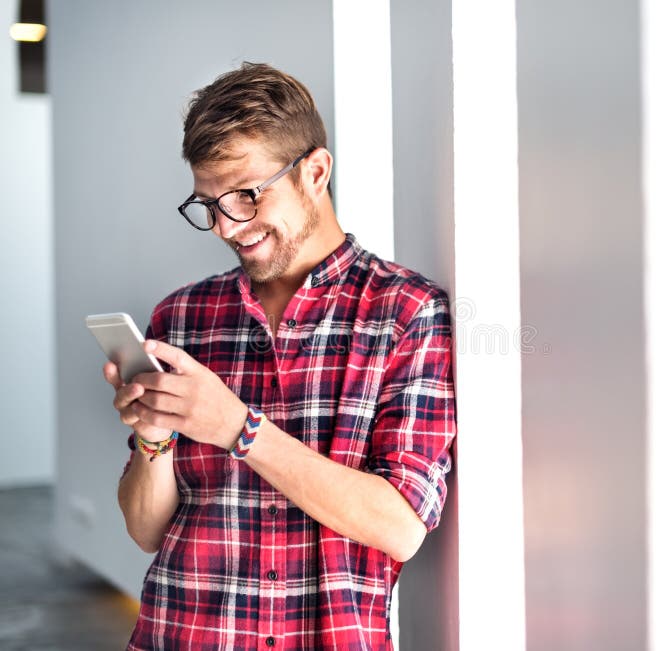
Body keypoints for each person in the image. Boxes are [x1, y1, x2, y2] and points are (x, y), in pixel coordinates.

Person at [104, 62, 456, 650]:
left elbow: (399, 526)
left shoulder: (405, 312)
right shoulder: (182, 318)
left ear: (314, 172)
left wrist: (238, 428)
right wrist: (153, 439)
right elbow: (145, 531)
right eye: (209, 204)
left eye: (245, 194)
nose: (226, 226)